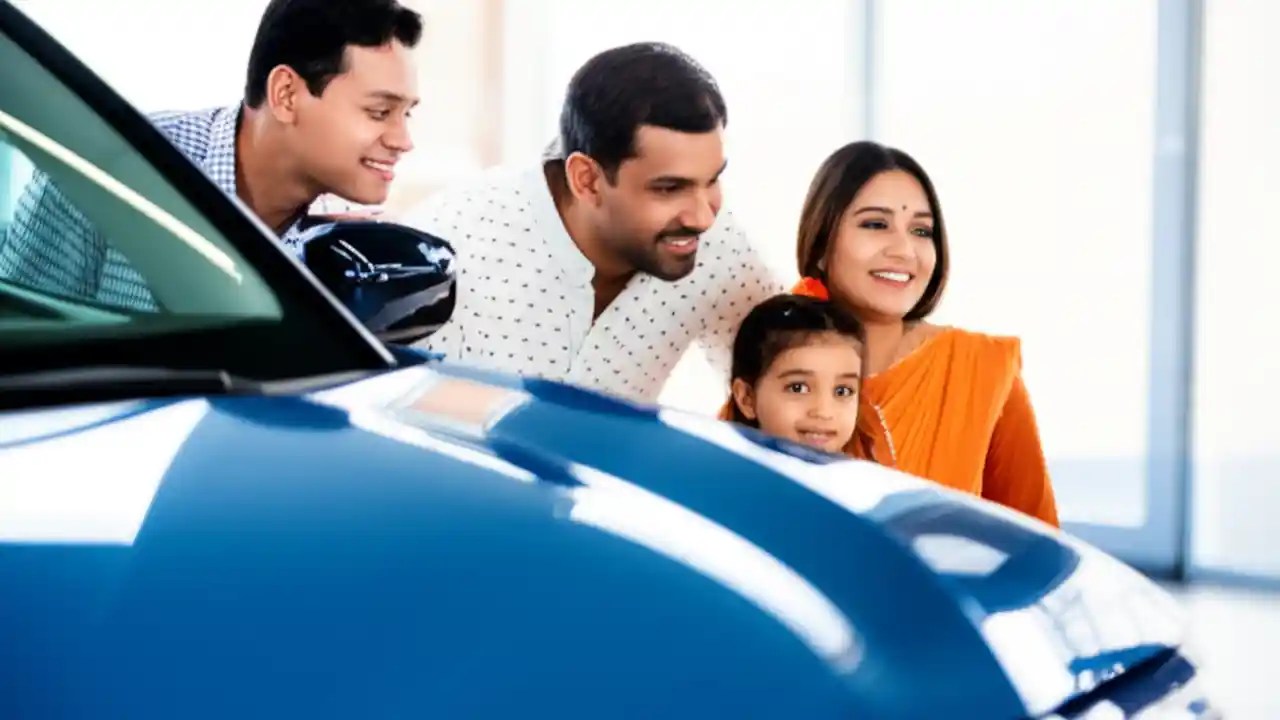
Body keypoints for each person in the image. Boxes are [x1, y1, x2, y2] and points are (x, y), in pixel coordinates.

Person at [403, 42, 781, 404]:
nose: (702, 215)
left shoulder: (716, 243)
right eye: (669, 188)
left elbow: (798, 372)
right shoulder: (449, 243)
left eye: (712, 179)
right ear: (587, 180)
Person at [0, 0, 423, 311]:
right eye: (380, 112)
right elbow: (17, 333)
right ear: (286, 95)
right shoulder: (114, 167)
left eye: (406, 114)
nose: (403, 140)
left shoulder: (344, 239)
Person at [790, 140, 1059, 527]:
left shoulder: (982, 368)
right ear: (820, 244)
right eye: (876, 224)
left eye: (921, 230)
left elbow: (1039, 541)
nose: (904, 250)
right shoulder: (778, 349)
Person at [722, 294, 866, 455]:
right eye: (798, 388)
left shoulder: (864, 478)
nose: (824, 412)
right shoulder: (716, 476)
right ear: (747, 398)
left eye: (843, 391)